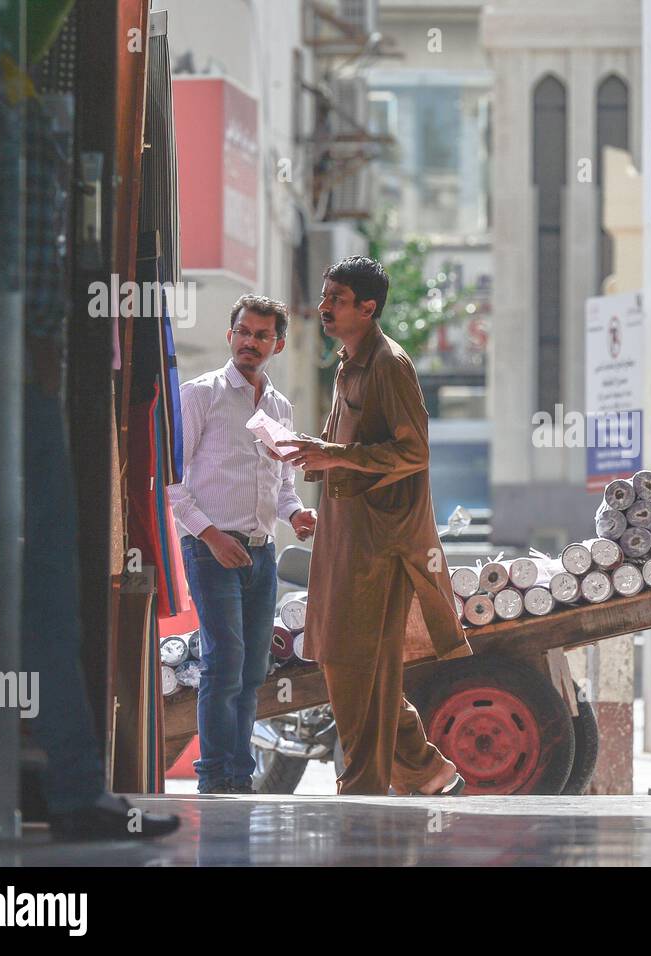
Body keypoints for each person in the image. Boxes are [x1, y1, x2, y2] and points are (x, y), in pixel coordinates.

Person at [278, 255, 472, 796]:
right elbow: (346, 444)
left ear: (369, 307)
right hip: (342, 531)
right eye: (324, 296)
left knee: (361, 662)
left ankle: (364, 784)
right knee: (342, 657)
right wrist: (314, 455)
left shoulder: (389, 364)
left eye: (336, 299)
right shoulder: (347, 362)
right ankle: (424, 766)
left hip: (379, 541)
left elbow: (413, 451)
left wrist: (334, 455)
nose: (323, 307)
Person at [169, 295, 317, 794]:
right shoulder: (200, 395)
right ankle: (215, 779)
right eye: (242, 332)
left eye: (261, 335)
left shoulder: (279, 406)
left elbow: (282, 485)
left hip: (261, 551)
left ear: (277, 344)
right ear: (229, 335)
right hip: (211, 549)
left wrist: (296, 514)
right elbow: (171, 483)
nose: (250, 342)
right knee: (225, 661)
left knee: (253, 668)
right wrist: (210, 537)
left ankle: (240, 777)